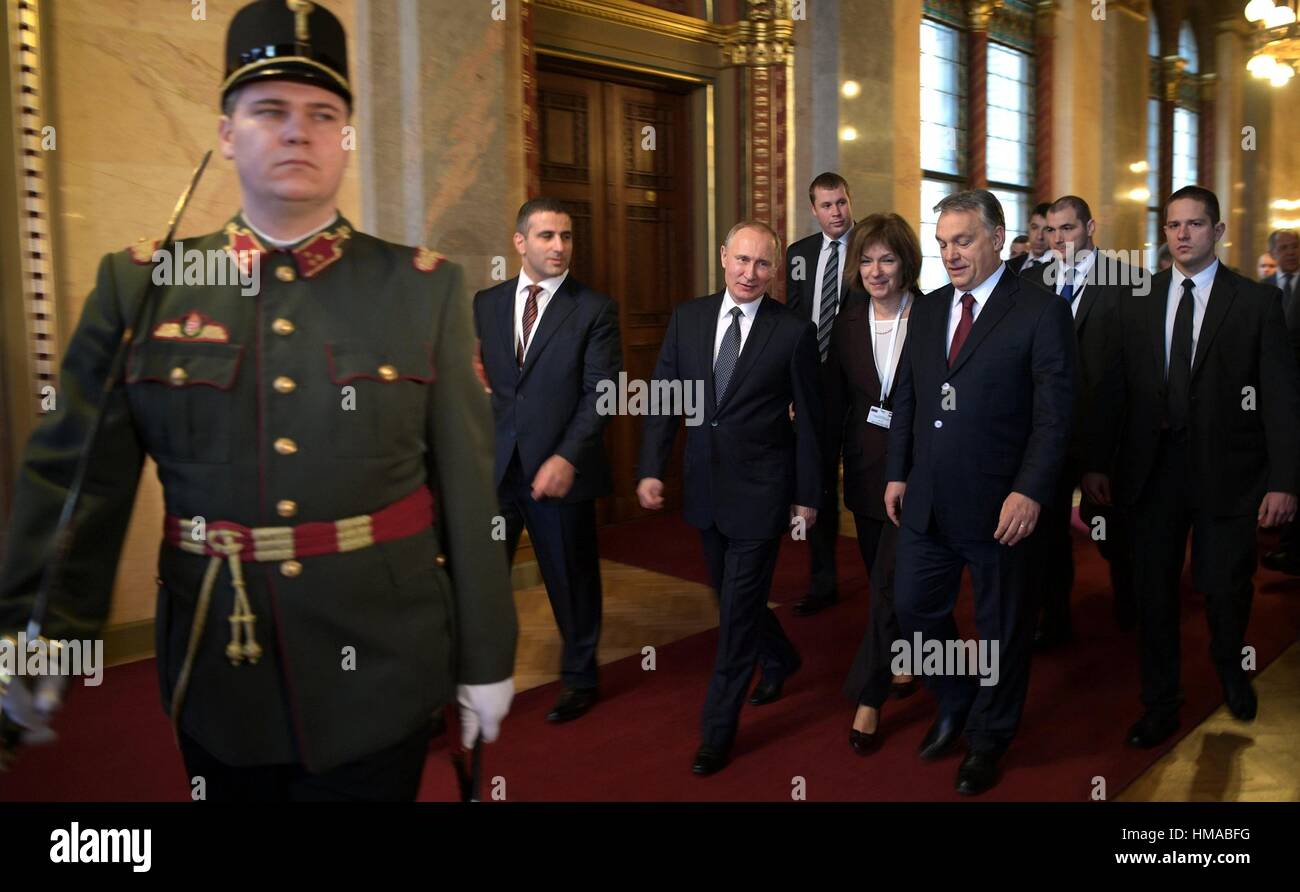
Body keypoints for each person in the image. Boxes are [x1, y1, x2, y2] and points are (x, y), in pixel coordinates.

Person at [0, 0, 517, 801]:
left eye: (323, 114)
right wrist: (39, 647)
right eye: (268, 110)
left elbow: (468, 492)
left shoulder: (423, 289)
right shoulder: (144, 285)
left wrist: (487, 657)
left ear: (345, 137)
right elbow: (76, 488)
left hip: (381, 667)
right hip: (219, 668)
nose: (296, 132)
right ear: (225, 133)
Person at [1084, 186, 1300, 749]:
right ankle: (1160, 701)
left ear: (1218, 231)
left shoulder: (1255, 303)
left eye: (1195, 224)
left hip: (1229, 472)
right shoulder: (1136, 300)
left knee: (1226, 586)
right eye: (1174, 224)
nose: (1182, 234)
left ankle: (1230, 663)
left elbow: (1280, 397)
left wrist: (1284, 481)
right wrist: (1095, 463)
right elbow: (1113, 391)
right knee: (1153, 591)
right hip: (1150, 472)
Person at [884, 190, 1076, 795]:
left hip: (1003, 509)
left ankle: (990, 738)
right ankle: (957, 696)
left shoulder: (1040, 311)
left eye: (962, 240)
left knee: (1001, 630)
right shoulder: (930, 308)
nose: (951, 254)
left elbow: (1056, 415)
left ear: (997, 236)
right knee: (913, 608)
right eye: (942, 244)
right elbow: (908, 399)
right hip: (930, 499)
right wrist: (897, 471)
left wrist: (1030, 491)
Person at [637, 221, 822, 776]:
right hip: (705, 490)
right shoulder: (688, 318)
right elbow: (664, 396)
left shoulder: (793, 331)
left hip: (763, 494)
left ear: (776, 270)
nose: (750, 273)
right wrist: (651, 467)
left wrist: (807, 496)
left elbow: (812, 423)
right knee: (729, 595)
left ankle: (717, 729)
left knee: (737, 615)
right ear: (723, 257)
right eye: (742, 260)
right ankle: (783, 656)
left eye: (763, 264)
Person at [472, 199, 622, 723]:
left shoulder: (594, 309)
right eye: (547, 237)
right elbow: (487, 382)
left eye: (566, 236)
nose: (559, 246)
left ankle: (580, 678)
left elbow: (602, 393)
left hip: (559, 472)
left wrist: (566, 456)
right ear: (520, 242)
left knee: (570, 577)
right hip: (496, 471)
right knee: (479, 581)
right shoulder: (485, 304)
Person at [826, 214, 924, 756]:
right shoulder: (847, 322)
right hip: (864, 471)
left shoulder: (933, 313)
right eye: (865, 260)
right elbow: (837, 401)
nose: (875, 270)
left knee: (888, 583)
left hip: (918, 471)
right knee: (883, 580)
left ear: (905, 261)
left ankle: (870, 697)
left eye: (886, 259)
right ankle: (908, 653)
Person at [1022, 195, 1137, 644]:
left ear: (1091, 228)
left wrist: (1105, 457)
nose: (1058, 239)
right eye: (1051, 230)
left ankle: (1132, 601)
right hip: (1047, 430)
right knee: (1047, 533)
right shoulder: (1031, 279)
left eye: (1068, 229)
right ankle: (1055, 620)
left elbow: (1133, 372)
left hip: (1103, 432)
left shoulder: (1128, 281)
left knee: (1112, 529)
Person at [785, 173, 854, 617]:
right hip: (816, 385)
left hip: (862, 383)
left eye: (841, 203)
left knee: (868, 482)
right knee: (819, 484)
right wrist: (794, 388)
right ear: (814, 209)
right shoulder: (799, 255)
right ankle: (823, 580)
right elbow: (791, 326)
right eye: (826, 205)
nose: (836, 212)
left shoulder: (869, 248)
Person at [1259, 229, 1300, 575]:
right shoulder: (1263, 288)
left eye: (1294, 246)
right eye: (1283, 247)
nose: (1290, 252)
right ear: (1272, 252)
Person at [1006, 202, 1052, 275]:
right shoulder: (1008, 267)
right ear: (1028, 229)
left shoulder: (1065, 270)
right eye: (1034, 228)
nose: (1039, 236)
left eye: (1047, 229)